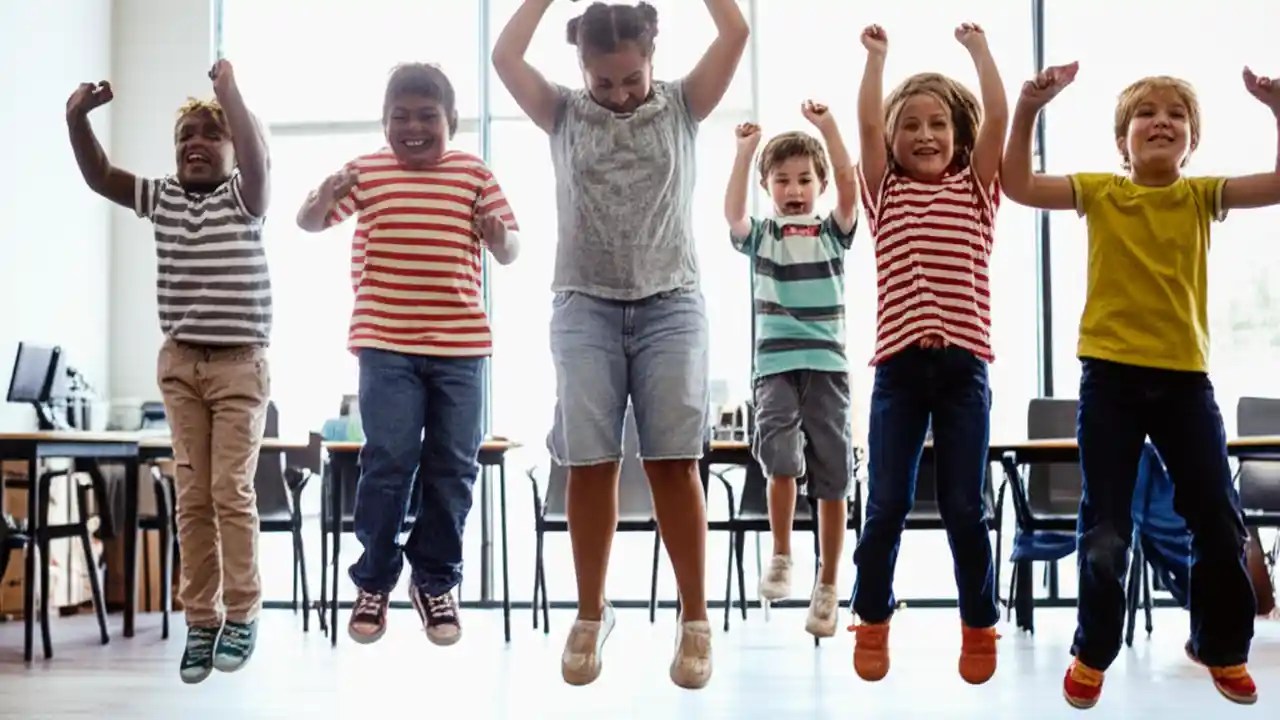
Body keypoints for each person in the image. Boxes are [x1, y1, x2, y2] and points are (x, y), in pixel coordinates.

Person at [1003, 61, 1280, 708]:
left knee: (1215, 518)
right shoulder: (1102, 192)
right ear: (1122, 140)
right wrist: (1029, 107)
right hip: (1110, 381)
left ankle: (1221, 647)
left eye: (1176, 115)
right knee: (1105, 526)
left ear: (1192, 142)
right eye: (1145, 114)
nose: (1161, 121)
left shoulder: (1199, 195)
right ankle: (1093, 650)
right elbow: (1016, 185)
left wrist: (1276, 109)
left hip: (1185, 381)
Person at [492, 0, 748, 689]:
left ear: (651, 58)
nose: (618, 94)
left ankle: (695, 619)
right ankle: (590, 611)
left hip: (672, 302)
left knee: (672, 461)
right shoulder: (564, 113)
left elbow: (736, 31)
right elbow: (505, 58)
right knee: (590, 461)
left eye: (630, 79)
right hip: (584, 306)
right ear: (582, 70)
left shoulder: (683, 105)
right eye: (603, 82)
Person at [296, 63, 519, 648]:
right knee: (389, 460)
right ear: (384, 121)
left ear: (453, 121)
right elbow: (310, 222)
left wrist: (497, 236)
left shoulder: (473, 173)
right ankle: (373, 579)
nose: (413, 128)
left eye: (428, 117)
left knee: (454, 467)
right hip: (385, 341)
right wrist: (323, 196)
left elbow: (512, 247)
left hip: (460, 346)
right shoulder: (367, 172)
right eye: (401, 117)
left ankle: (435, 579)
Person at [66, 60, 272, 684]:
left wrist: (228, 94)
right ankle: (201, 620)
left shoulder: (245, 195)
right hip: (182, 365)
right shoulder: (163, 196)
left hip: (239, 365)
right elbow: (101, 176)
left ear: (233, 149)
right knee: (193, 497)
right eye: (186, 138)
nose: (197, 146)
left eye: (212, 136)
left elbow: (258, 158)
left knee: (229, 491)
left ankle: (242, 611)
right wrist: (76, 121)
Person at [848, 23, 1008, 686]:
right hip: (899, 372)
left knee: (964, 507)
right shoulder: (886, 194)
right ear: (891, 141)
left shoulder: (978, 189)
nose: (924, 136)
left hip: (964, 369)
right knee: (885, 501)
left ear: (958, 135)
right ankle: (873, 614)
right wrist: (877, 61)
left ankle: (978, 622)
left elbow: (998, 115)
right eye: (909, 125)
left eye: (937, 124)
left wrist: (979, 53)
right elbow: (864, 124)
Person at [723, 103, 857, 639]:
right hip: (774, 365)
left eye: (804, 178)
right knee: (779, 458)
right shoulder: (763, 235)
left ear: (819, 184)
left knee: (833, 474)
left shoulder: (832, 231)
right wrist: (743, 153)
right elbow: (732, 214)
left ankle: (828, 583)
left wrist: (830, 128)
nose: (794, 188)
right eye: (781, 180)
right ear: (768, 187)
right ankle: (781, 553)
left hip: (826, 365)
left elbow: (851, 187)